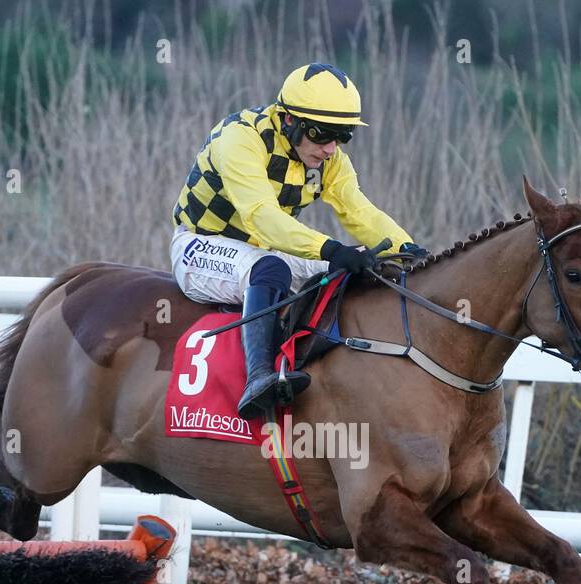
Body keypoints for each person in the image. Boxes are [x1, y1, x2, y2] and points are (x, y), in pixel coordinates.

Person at [170, 62, 427, 418]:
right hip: (199, 246)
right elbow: (261, 216)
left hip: (263, 251)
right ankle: (258, 379)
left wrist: (407, 249)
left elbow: (360, 211)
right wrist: (330, 249)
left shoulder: (330, 160)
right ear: (289, 120)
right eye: (322, 133)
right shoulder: (240, 138)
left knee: (359, 269)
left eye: (343, 135)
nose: (331, 149)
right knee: (272, 267)